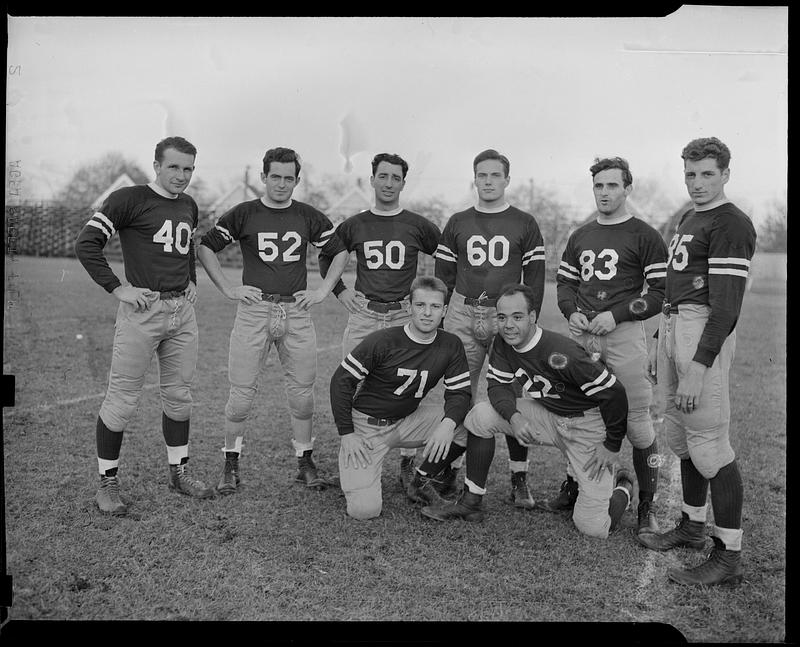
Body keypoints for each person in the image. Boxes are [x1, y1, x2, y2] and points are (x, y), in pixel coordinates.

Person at [421, 283, 634, 539]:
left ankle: (623, 487)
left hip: (585, 425)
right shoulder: (502, 342)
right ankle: (471, 501)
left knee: (593, 528)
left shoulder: (562, 351)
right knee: (479, 416)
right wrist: (515, 416)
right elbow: (498, 386)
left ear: (533, 317)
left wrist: (611, 445)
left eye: (517, 317)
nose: (508, 325)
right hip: (547, 415)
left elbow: (615, 392)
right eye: (502, 317)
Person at [637, 137, 756, 587]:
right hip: (673, 326)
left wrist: (700, 366)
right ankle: (691, 525)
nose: (698, 182)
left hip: (702, 330)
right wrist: (656, 340)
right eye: (690, 173)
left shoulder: (731, 223)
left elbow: (725, 308)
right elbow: (673, 288)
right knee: (681, 435)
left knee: (708, 442)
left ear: (726, 173)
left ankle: (728, 554)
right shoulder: (690, 216)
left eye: (707, 173)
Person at [75, 136, 215, 515]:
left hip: (181, 314)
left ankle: (178, 472)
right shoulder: (129, 199)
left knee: (180, 397)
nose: (181, 175)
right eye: (173, 167)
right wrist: (118, 287)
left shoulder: (189, 204)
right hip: (144, 310)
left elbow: (184, 249)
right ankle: (107, 483)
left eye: (188, 169)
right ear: (156, 165)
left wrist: (191, 281)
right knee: (121, 401)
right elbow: (87, 243)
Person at [197, 147, 349, 495]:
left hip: (295, 310)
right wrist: (229, 289)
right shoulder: (245, 213)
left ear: (297, 180)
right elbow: (206, 247)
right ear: (263, 177)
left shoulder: (308, 215)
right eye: (275, 176)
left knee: (302, 393)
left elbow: (338, 251)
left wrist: (324, 290)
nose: (282, 183)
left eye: (289, 178)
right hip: (254, 310)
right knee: (241, 394)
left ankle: (305, 462)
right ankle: (230, 463)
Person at [546, 156, 668, 537]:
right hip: (583, 335)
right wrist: (570, 311)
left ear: (627, 188)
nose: (604, 192)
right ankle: (573, 484)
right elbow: (565, 284)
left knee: (637, 424)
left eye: (612, 185)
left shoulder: (646, 235)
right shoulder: (581, 234)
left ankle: (646, 502)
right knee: (578, 414)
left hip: (623, 335)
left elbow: (660, 294)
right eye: (599, 185)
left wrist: (616, 315)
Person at [319, 153, 441, 493]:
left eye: (395, 178)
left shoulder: (417, 224)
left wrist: (435, 298)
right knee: (353, 386)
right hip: (364, 314)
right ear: (372, 179)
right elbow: (327, 254)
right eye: (383, 176)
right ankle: (352, 457)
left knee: (413, 387)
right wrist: (340, 290)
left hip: (405, 315)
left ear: (403, 182)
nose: (388, 183)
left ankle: (407, 463)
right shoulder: (355, 224)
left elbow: (447, 254)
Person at [434, 149, 546, 509]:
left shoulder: (525, 222)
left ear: (507, 180)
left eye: (495, 175)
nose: (488, 181)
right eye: (482, 175)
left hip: (507, 317)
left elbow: (537, 278)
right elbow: (444, 275)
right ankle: (451, 467)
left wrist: (530, 320)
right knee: (459, 393)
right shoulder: (458, 221)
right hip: (464, 311)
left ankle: (519, 476)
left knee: (512, 395)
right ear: (475, 178)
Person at [330, 276, 472, 520]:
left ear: (444, 310)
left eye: (435, 306)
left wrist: (448, 425)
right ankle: (352, 467)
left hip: (408, 421)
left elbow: (460, 392)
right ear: (409, 307)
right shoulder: (384, 340)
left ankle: (422, 478)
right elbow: (341, 382)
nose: (427, 313)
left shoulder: (451, 344)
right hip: (368, 427)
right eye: (420, 305)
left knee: (472, 421)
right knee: (365, 511)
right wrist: (347, 434)